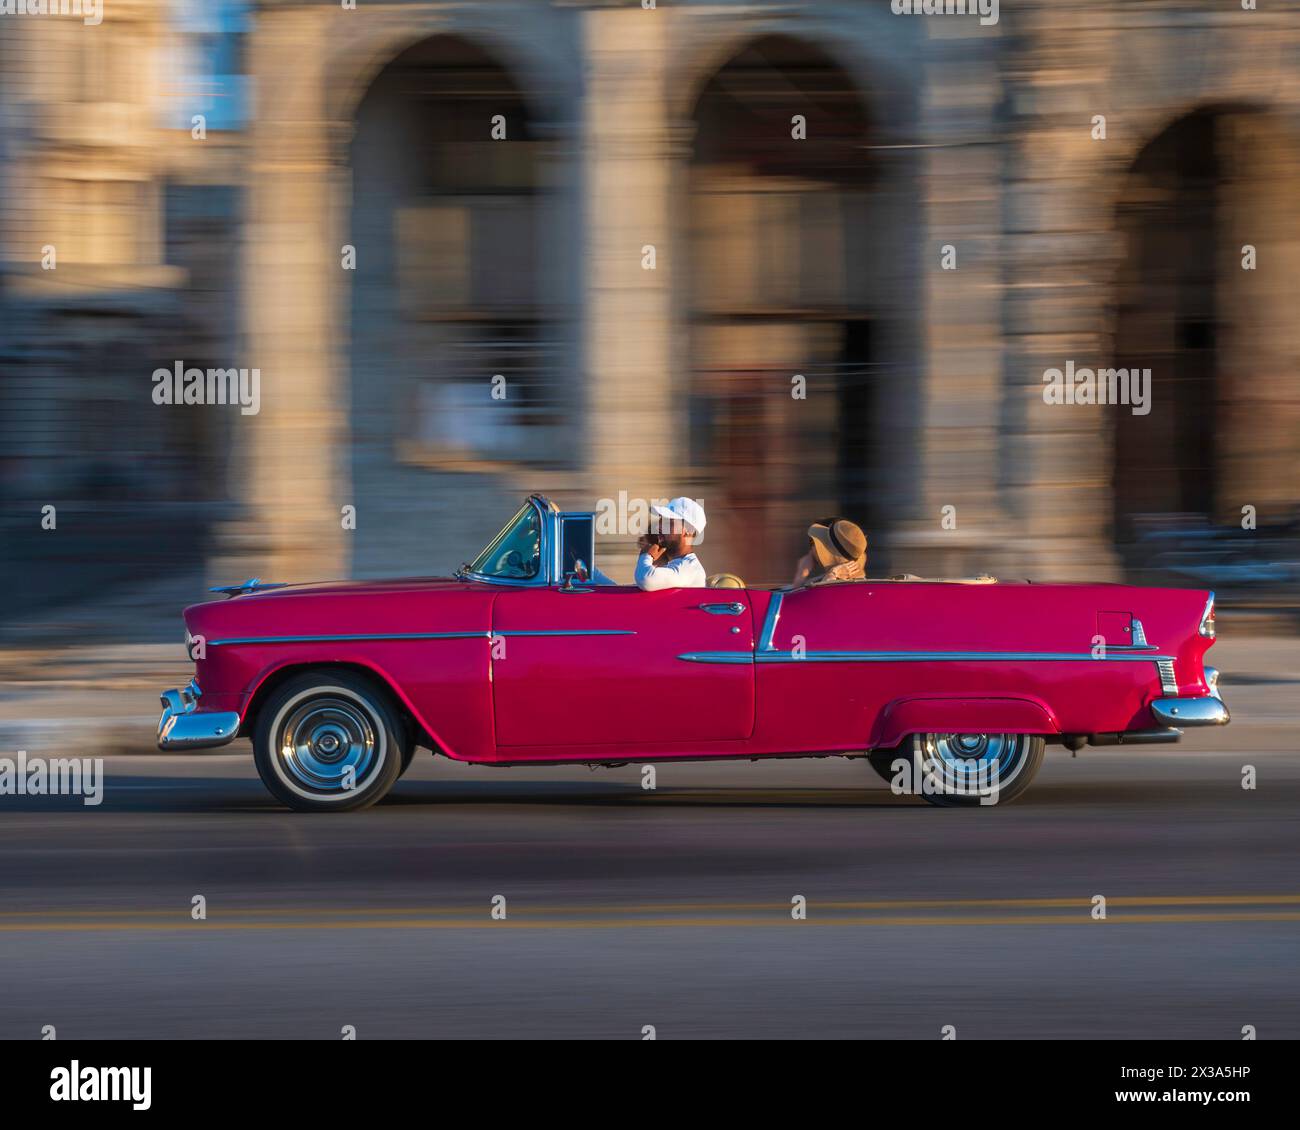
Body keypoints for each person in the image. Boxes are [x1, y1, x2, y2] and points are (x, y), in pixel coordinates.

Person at [635, 497, 707, 590]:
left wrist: (646, 555)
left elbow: (646, 580)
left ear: (689, 530)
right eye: (660, 520)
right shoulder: (675, 567)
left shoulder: (690, 569)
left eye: (668, 522)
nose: (658, 526)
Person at [791, 517, 866, 589]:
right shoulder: (825, 579)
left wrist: (801, 575)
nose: (812, 548)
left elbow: (813, 599)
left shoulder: (831, 581)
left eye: (813, 542)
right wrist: (802, 573)